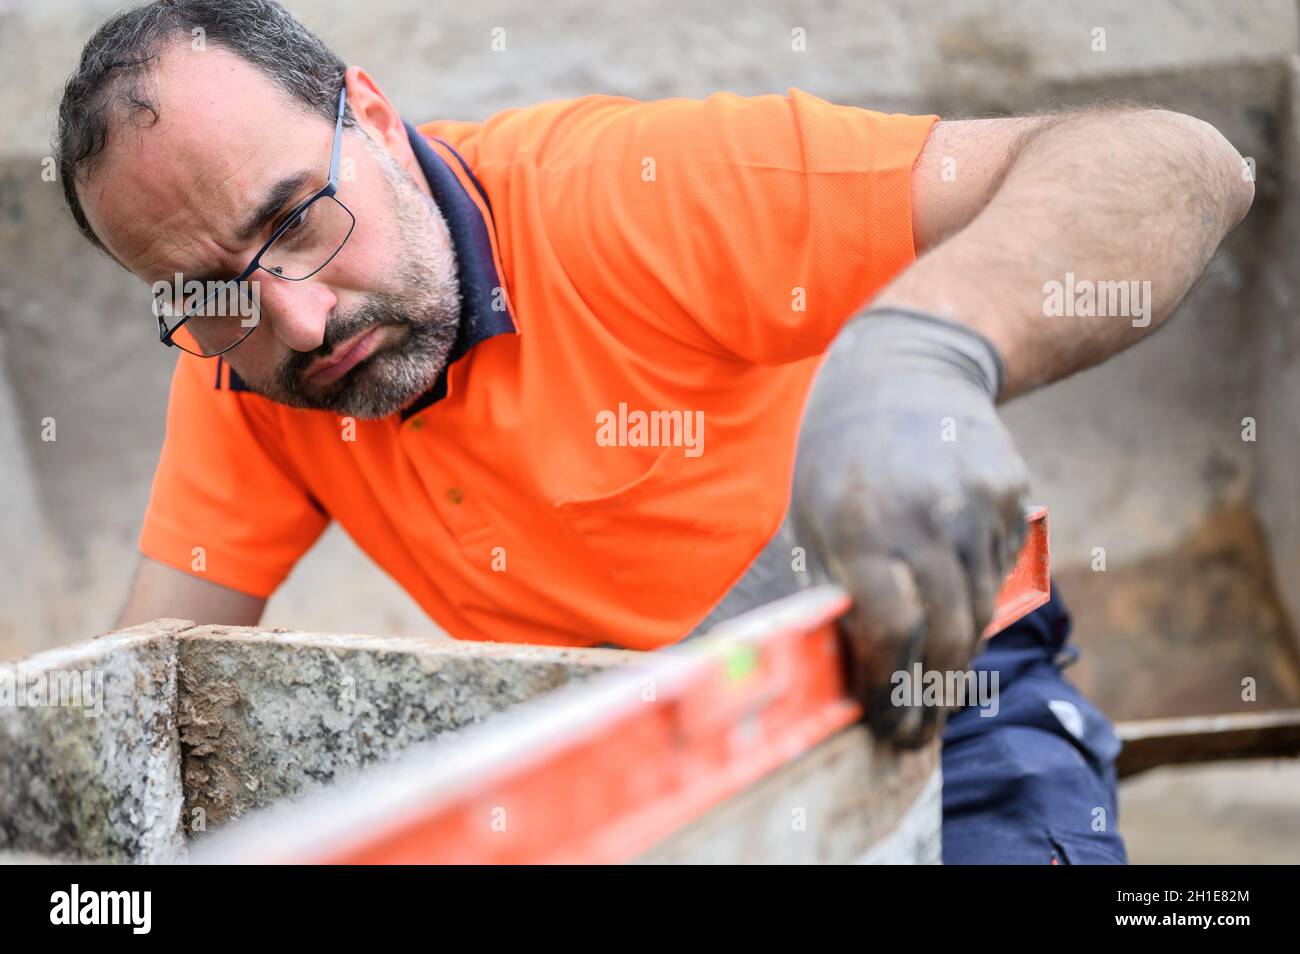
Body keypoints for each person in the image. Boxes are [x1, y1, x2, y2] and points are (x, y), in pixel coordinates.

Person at [54, 0, 1252, 863]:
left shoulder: (636, 195)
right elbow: (142, 702)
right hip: (629, 778)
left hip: (928, 698)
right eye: (208, 295)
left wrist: (925, 354)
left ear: (368, 115)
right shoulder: (247, 369)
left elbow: (1176, 162)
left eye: (298, 221)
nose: (301, 322)